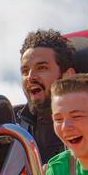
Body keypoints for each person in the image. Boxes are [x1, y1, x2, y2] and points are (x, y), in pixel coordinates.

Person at [15, 29, 76, 163]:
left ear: (68, 76)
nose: (30, 77)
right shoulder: (10, 129)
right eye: (25, 71)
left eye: (41, 68)